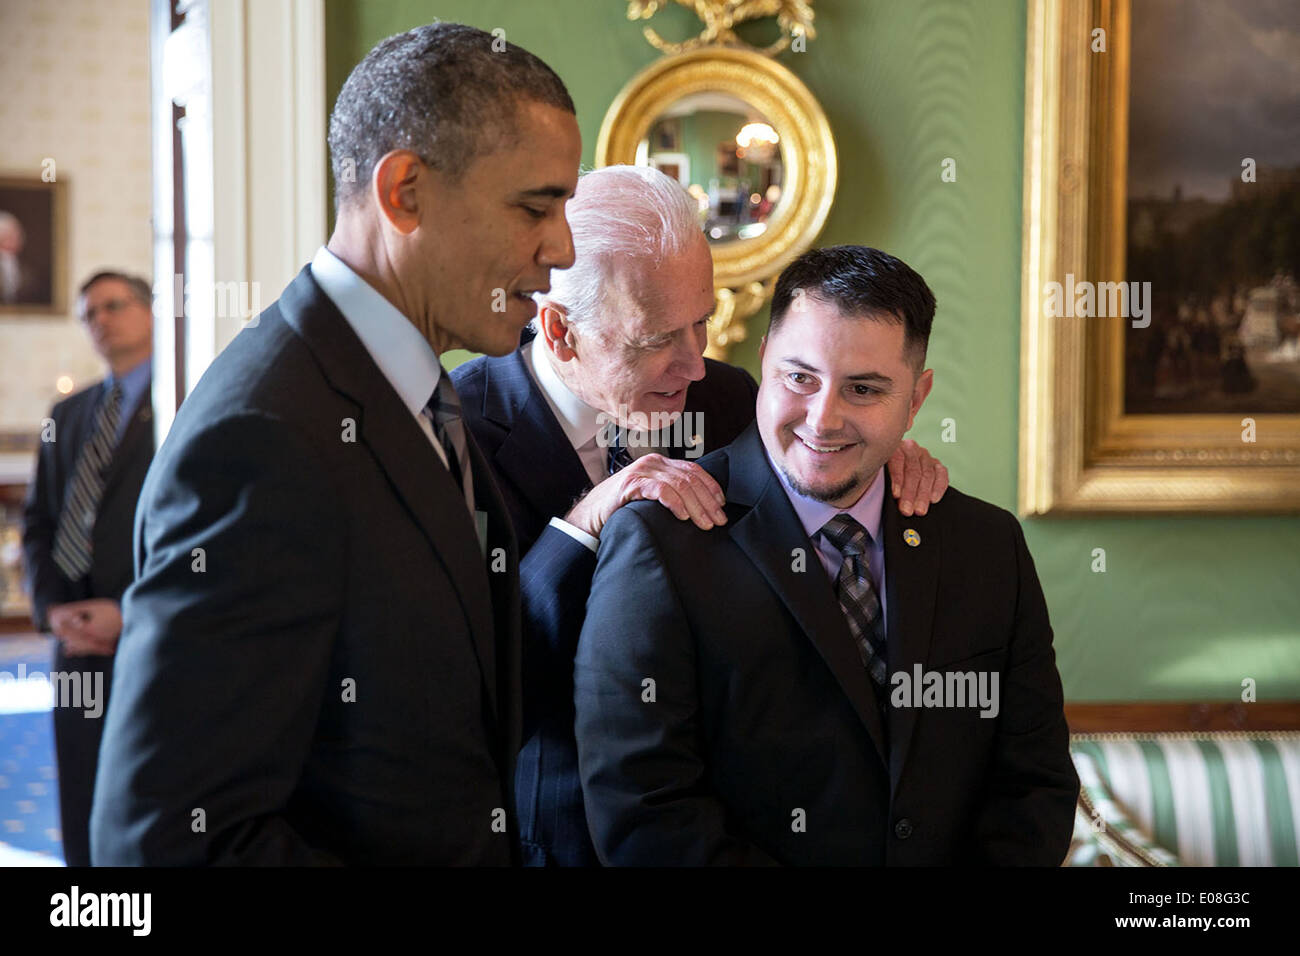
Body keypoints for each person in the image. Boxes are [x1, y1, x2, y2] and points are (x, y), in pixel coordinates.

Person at [90, 22, 580, 865]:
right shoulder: (263, 439)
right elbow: (166, 838)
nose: (561, 249)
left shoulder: (419, 393)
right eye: (535, 207)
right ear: (406, 192)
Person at [452, 169, 950, 865]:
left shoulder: (726, 398)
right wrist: (584, 523)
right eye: (657, 337)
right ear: (561, 332)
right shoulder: (450, 435)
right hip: (554, 847)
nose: (694, 363)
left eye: (702, 321)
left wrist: (878, 454)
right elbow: (470, 699)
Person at [574, 245, 1079, 865]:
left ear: (915, 400)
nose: (823, 417)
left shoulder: (987, 545)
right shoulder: (661, 541)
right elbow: (644, 808)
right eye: (799, 377)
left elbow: (1035, 784)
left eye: (864, 389)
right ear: (764, 361)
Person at [21, 270, 155, 866]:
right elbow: (38, 524)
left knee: (150, 796)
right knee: (81, 790)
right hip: (74, 642)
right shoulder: (69, 414)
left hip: (151, 636)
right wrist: (53, 613)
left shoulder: (186, 400)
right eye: (88, 313)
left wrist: (129, 613)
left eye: (113, 306)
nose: (100, 320)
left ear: (149, 312)